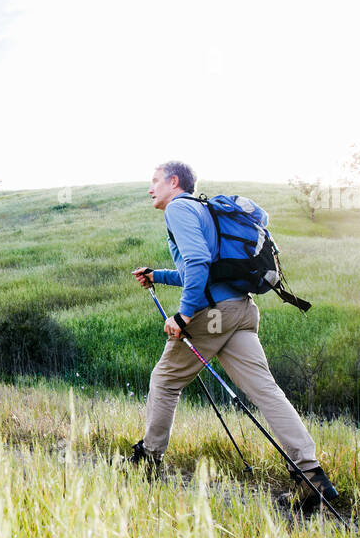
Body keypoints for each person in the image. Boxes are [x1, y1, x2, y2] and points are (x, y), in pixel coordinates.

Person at [130, 160, 339, 515]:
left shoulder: (179, 209)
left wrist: (182, 315)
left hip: (213, 317)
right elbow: (205, 269)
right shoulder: (205, 211)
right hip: (240, 311)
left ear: (174, 181)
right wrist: (158, 275)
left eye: (154, 181)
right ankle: (311, 476)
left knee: (164, 381)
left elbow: (197, 263)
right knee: (267, 393)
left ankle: (149, 459)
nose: (150, 189)